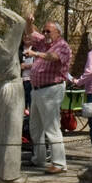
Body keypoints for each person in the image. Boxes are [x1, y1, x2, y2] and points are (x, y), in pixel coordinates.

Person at [24, 15, 73, 174]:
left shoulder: (62, 46)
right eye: (44, 31)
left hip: (51, 89)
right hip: (37, 90)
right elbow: (31, 33)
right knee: (35, 127)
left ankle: (59, 164)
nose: (45, 34)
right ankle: (38, 158)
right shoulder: (44, 43)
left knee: (51, 127)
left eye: (48, 31)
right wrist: (29, 22)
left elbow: (53, 58)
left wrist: (36, 54)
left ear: (57, 32)